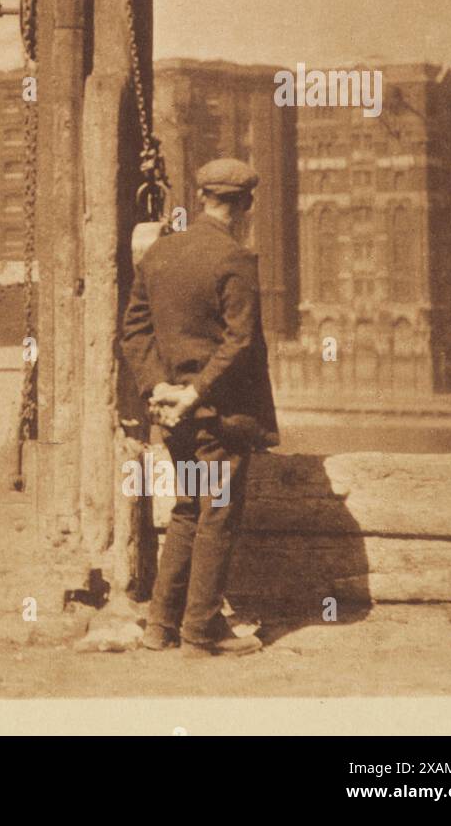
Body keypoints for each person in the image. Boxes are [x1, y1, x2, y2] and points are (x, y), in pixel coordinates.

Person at [120, 158, 279, 657]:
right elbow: (240, 342)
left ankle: (160, 625)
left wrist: (158, 389)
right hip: (219, 414)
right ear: (245, 204)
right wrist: (196, 392)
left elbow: (134, 332)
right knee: (218, 516)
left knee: (189, 510)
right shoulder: (234, 258)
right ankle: (202, 631)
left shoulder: (160, 254)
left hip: (173, 413)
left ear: (203, 196)